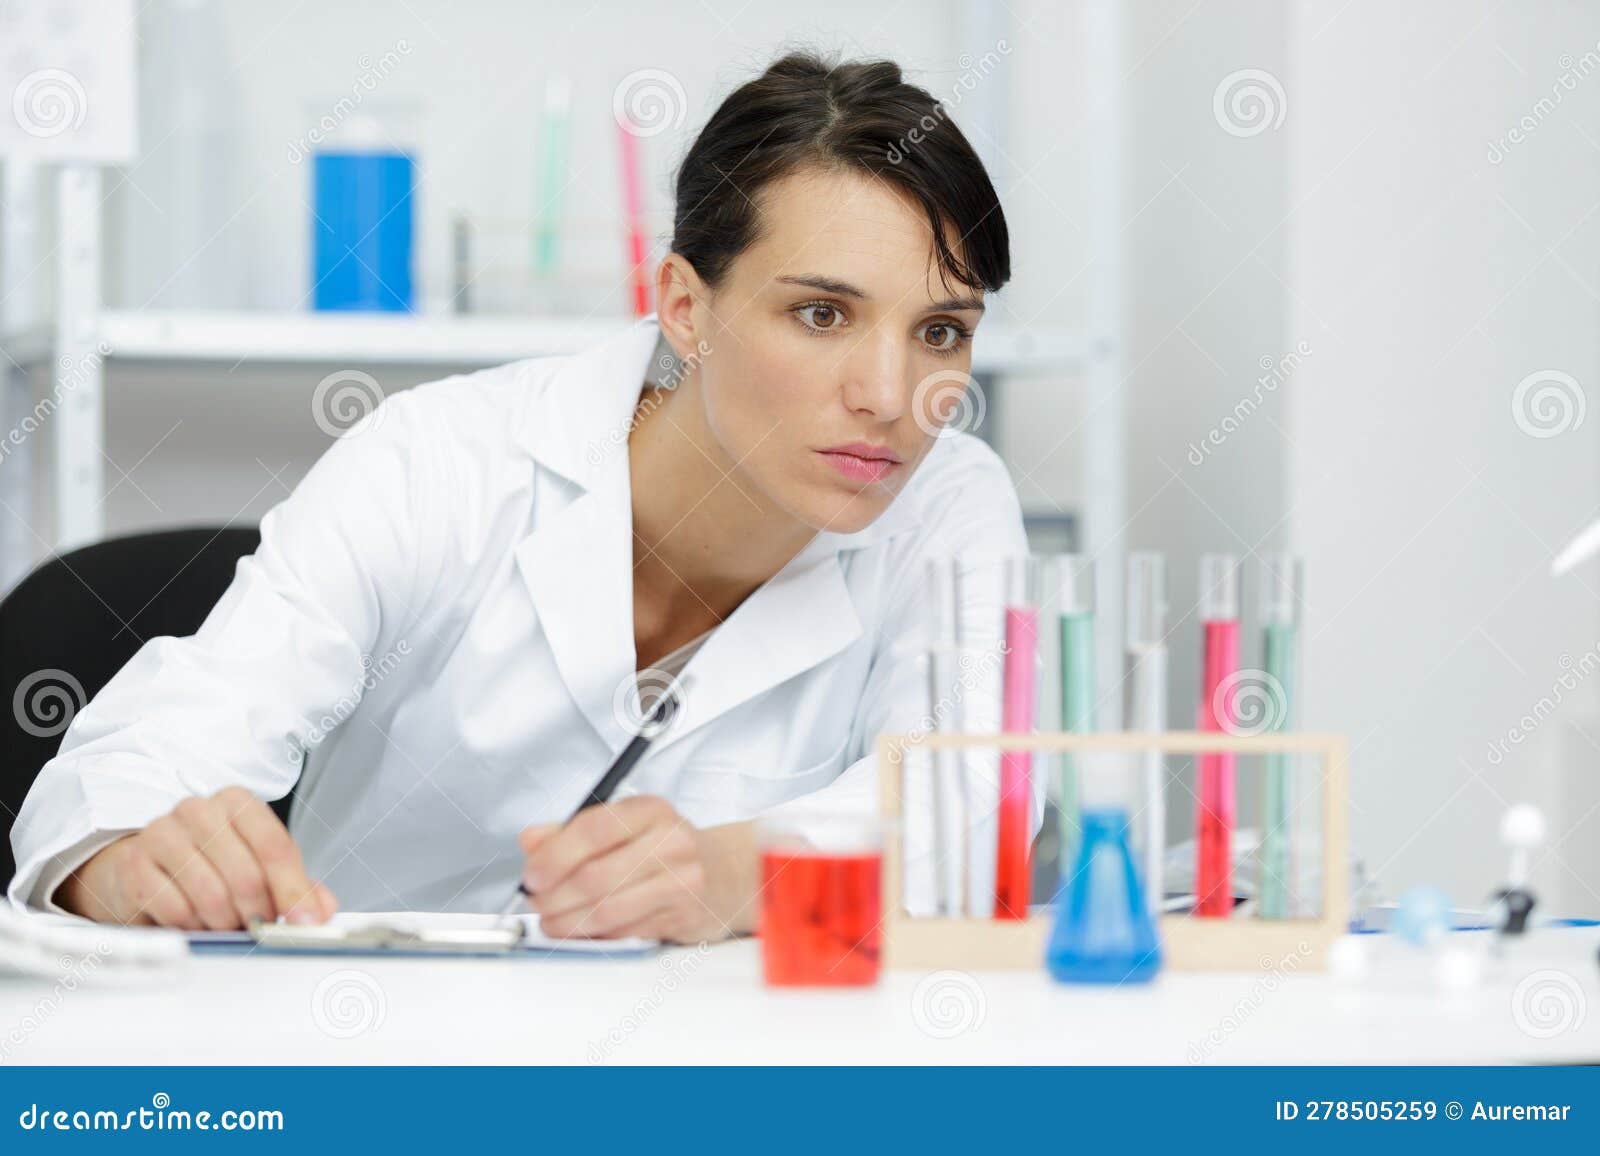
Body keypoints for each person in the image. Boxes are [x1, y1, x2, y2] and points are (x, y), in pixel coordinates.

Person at [9, 52, 1026, 941]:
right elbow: (159, 742)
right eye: (820, 312)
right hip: (371, 1053)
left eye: (940, 330)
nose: (892, 397)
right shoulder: (441, 459)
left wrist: (736, 875)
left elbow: (975, 801)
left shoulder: (947, 503)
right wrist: (129, 856)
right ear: (683, 305)